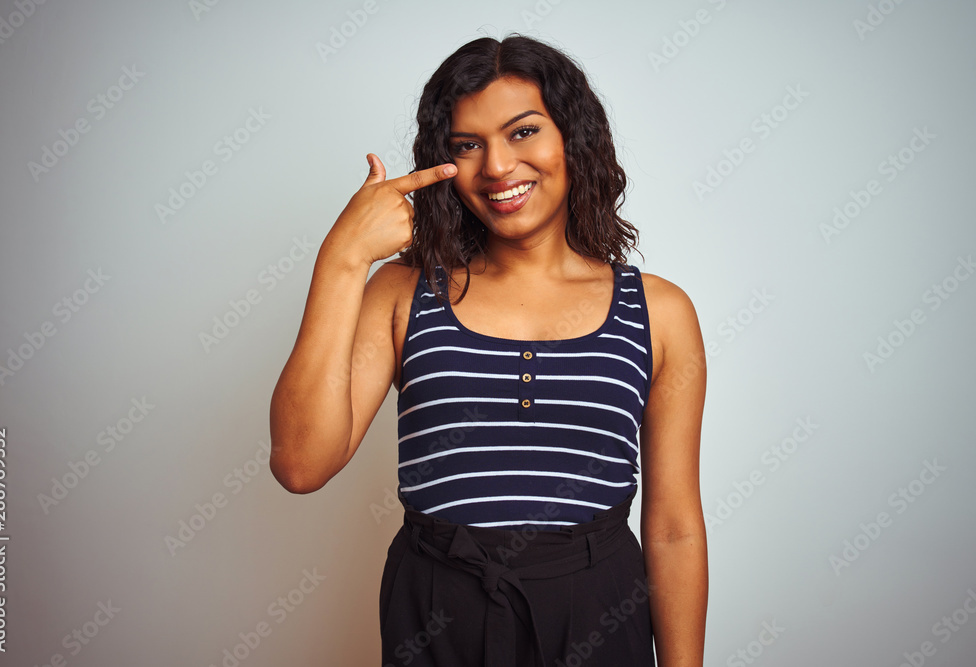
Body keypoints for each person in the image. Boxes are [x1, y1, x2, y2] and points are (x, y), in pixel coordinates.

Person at [269, 33, 707, 667]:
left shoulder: (658, 311)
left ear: (573, 139)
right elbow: (300, 465)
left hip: (598, 607)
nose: (497, 166)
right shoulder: (402, 293)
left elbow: (673, 527)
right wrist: (343, 257)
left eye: (523, 132)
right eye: (466, 145)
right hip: (436, 610)